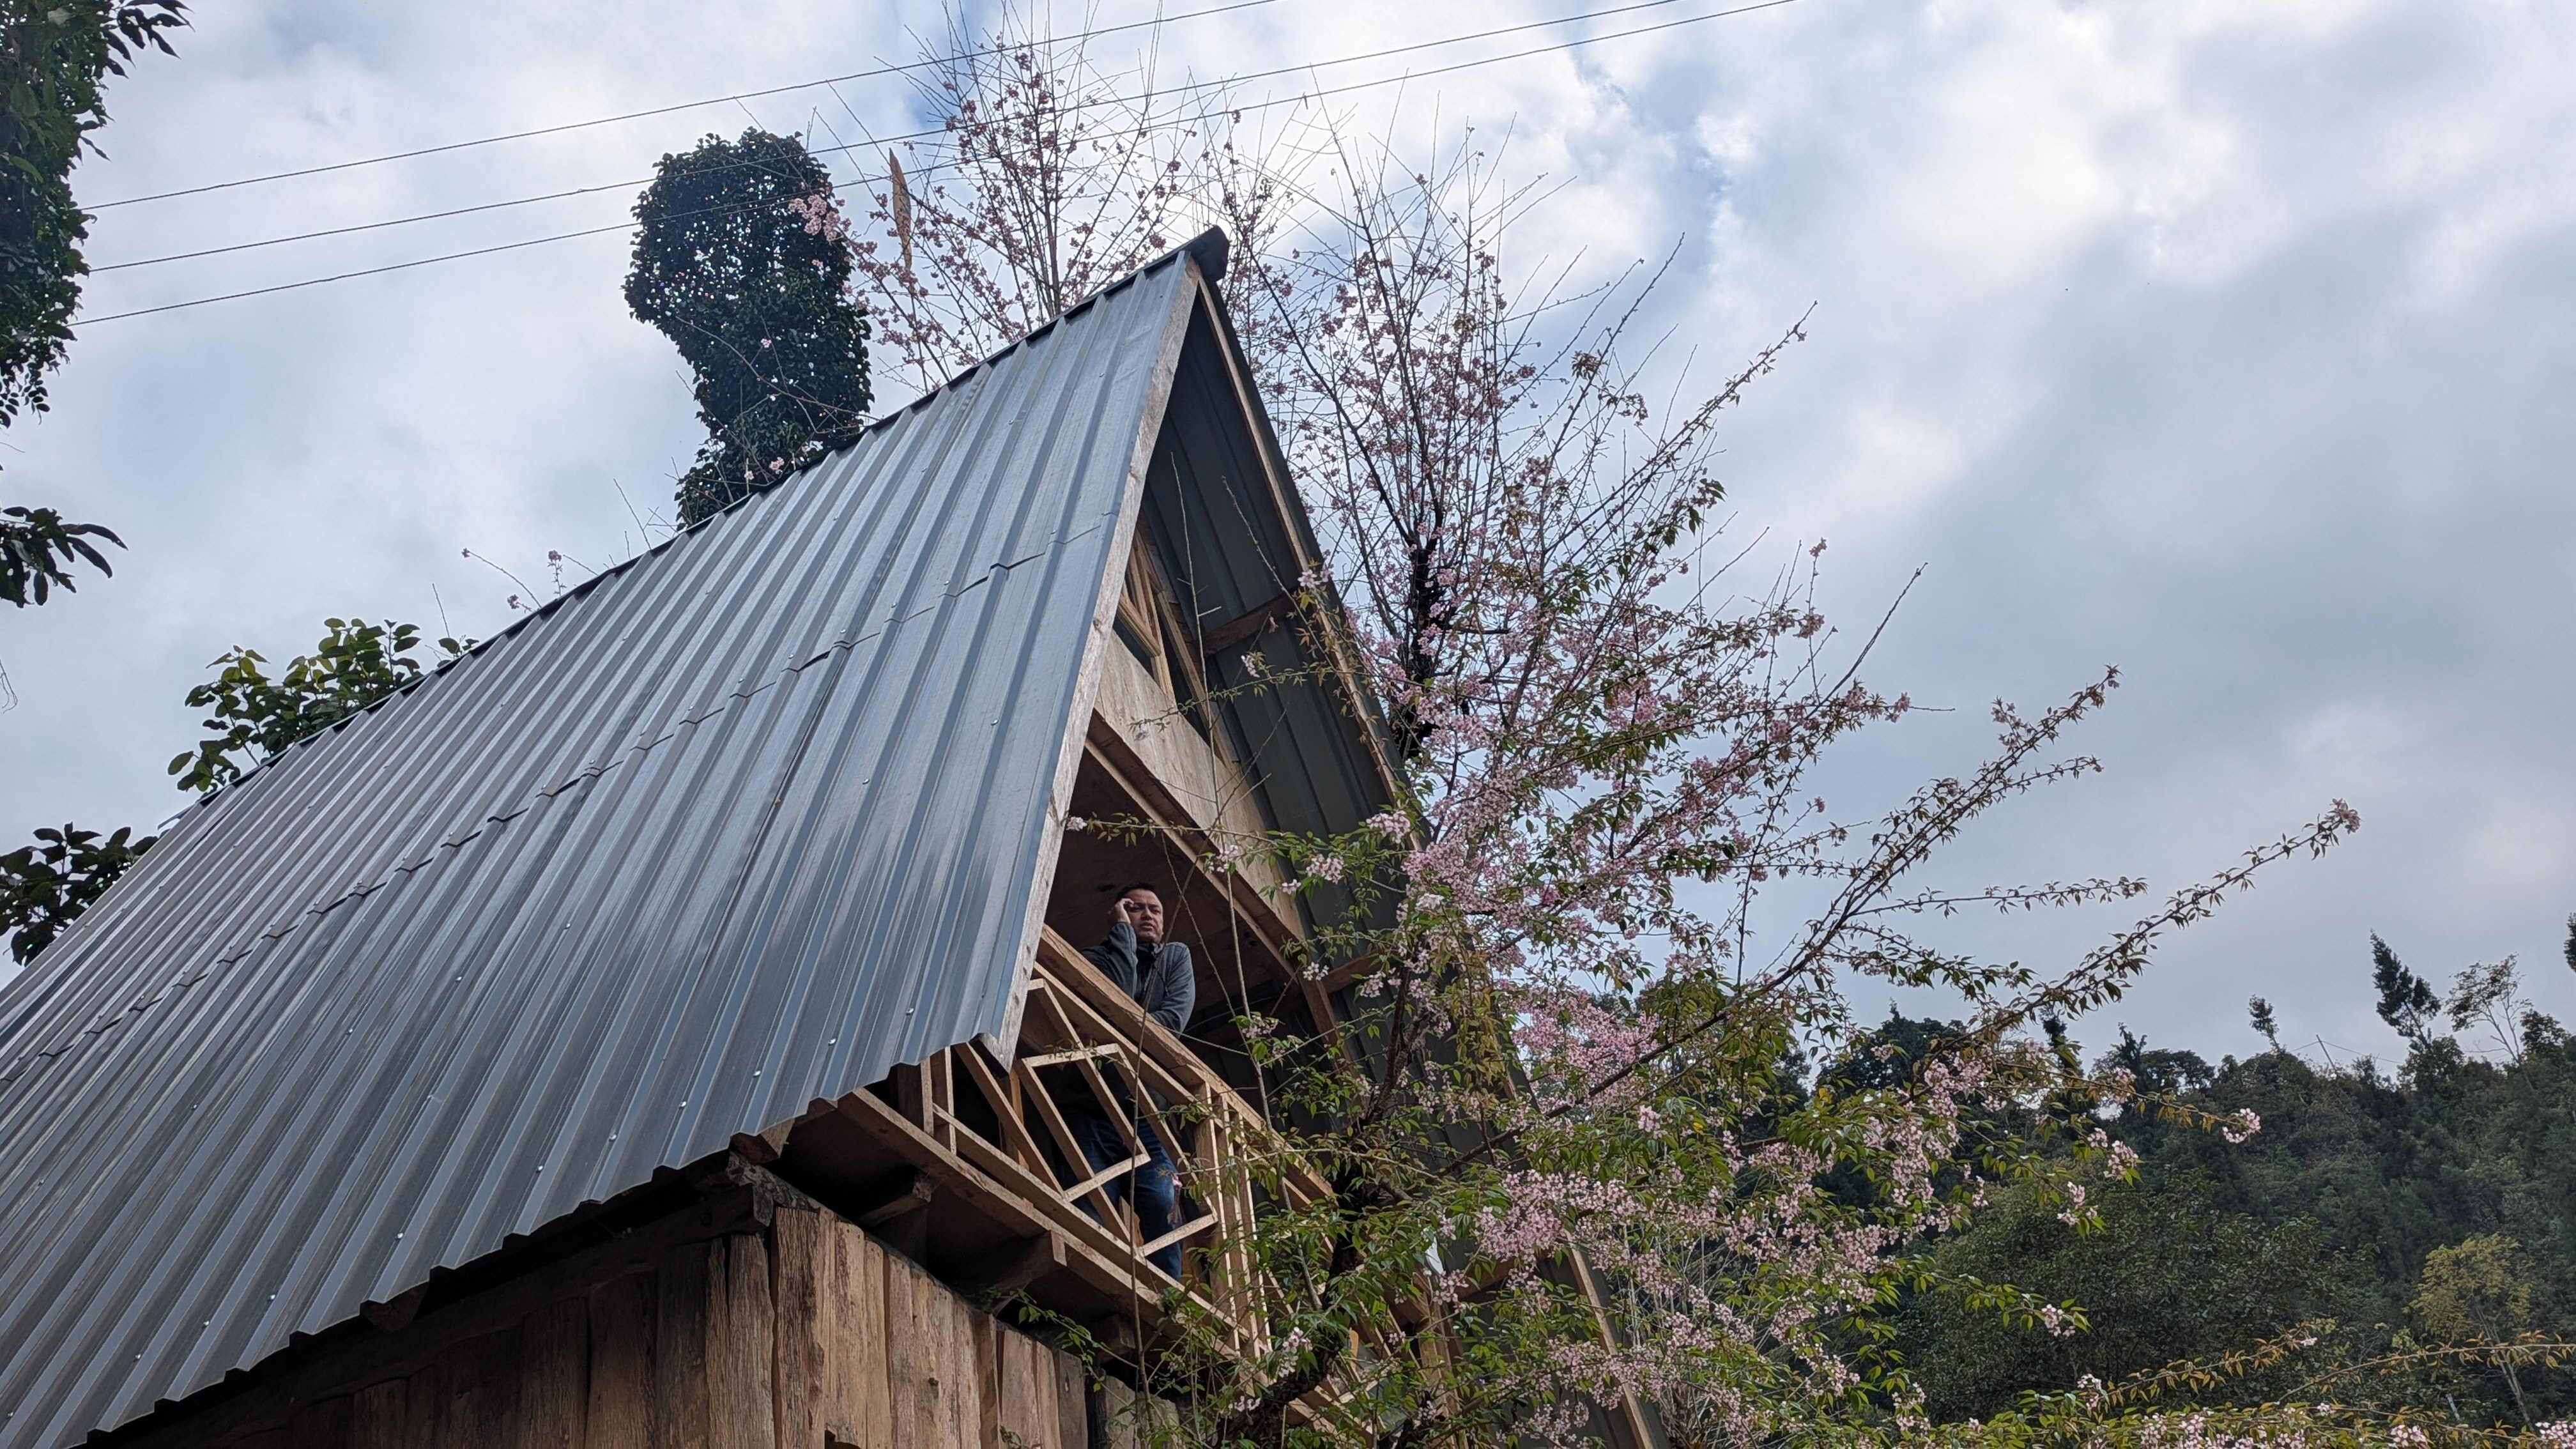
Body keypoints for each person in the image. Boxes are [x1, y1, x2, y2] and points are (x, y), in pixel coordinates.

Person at [1057, 882, 1194, 1278]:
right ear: (1118, 914)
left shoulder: (1174, 958)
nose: (1148, 915)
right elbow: (1107, 999)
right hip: (1090, 1108)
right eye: (1135, 909)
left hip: (1146, 1114)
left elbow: (1173, 1025)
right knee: (1092, 1204)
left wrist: (1120, 1022)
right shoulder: (1095, 958)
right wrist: (1122, 939)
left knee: (1160, 1201)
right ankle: (1088, 1286)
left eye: (1156, 910)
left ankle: (1169, 1299)